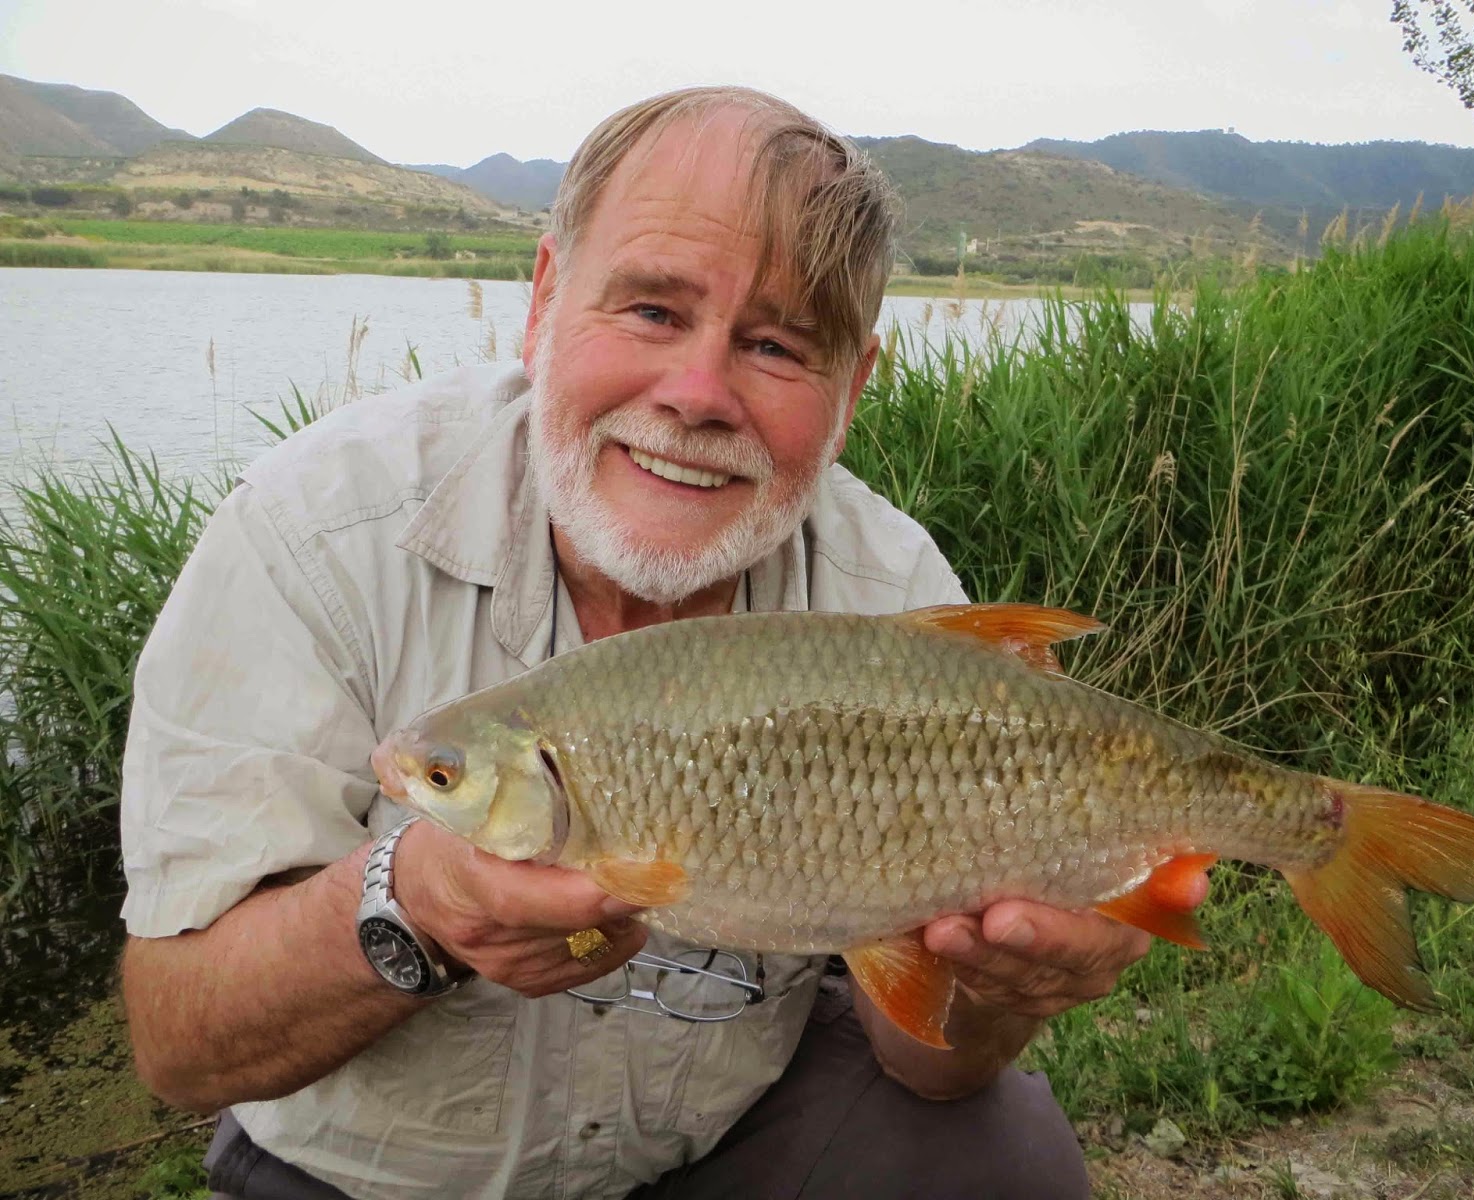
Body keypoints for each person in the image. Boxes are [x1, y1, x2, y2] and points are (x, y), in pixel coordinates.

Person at [120, 86, 1197, 1200]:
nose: (696, 395)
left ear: (851, 391)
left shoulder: (892, 596)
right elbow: (177, 1046)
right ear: (542, 303)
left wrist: (998, 992)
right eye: (649, 312)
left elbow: (929, 1064)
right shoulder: (312, 532)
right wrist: (417, 907)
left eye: (776, 345)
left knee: (1001, 1148)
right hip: (366, 1185)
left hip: (731, 1148)